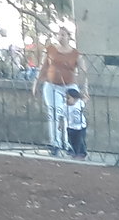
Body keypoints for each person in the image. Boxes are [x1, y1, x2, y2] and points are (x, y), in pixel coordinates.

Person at [34, 28, 86, 158]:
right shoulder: (51, 50)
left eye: (63, 35)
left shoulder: (75, 54)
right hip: (51, 85)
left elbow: (84, 72)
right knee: (54, 113)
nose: (61, 37)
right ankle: (55, 143)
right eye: (59, 34)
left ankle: (69, 144)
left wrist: (85, 89)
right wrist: (36, 83)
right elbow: (43, 66)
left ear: (69, 37)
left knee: (70, 115)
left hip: (69, 86)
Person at [62, 86, 88, 159]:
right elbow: (62, 116)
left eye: (68, 98)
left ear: (75, 99)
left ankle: (81, 153)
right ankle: (72, 151)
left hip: (81, 126)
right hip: (70, 126)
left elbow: (85, 98)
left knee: (80, 140)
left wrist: (85, 89)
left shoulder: (79, 103)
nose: (66, 100)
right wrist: (60, 125)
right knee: (71, 139)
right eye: (65, 98)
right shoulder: (65, 106)